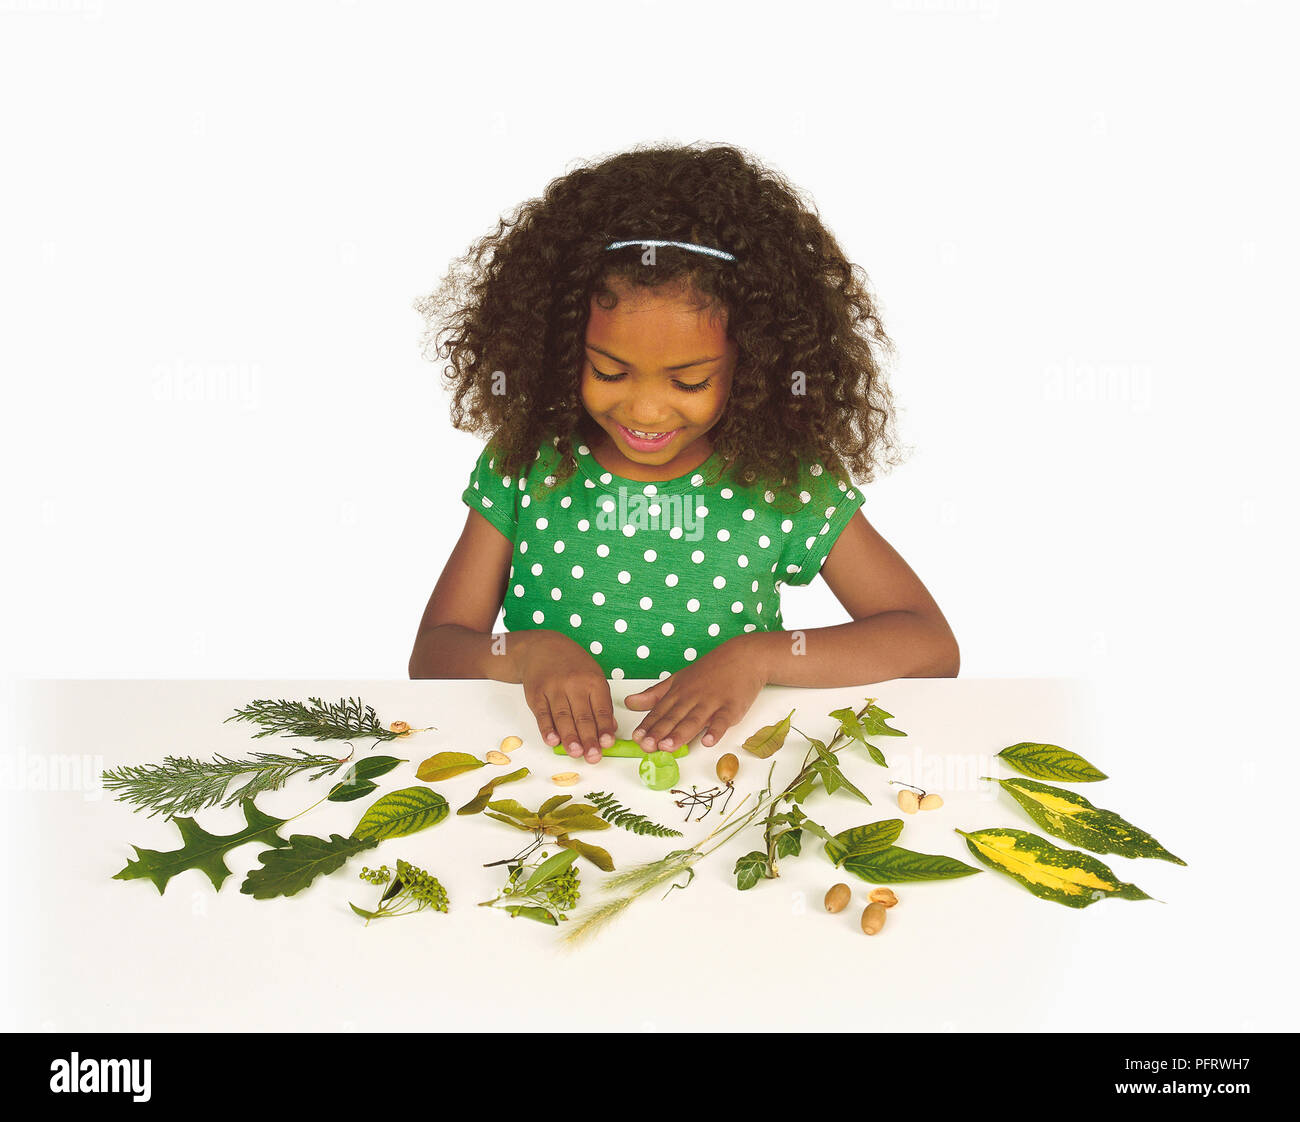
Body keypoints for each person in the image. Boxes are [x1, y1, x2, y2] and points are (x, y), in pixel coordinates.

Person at [409, 143, 959, 765]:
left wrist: (757, 656)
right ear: (561, 350)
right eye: (609, 371)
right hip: (545, 773)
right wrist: (526, 652)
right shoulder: (526, 465)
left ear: (757, 366)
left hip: (728, 785)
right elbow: (434, 655)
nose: (644, 412)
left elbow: (929, 644)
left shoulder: (785, 481)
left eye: (690, 381)